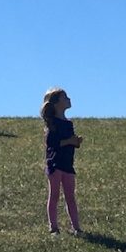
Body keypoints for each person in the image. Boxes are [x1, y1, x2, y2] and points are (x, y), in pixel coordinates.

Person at [41, 87, 82, 234]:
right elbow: (52, 143)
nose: (69, 99)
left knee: (71, 197)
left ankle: (76, 227)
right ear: (57, 103)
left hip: (67, 164)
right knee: (54, 196)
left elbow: (69, 143)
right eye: (65, 97)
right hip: (55, 164)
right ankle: (53, 228)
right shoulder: (53, 123)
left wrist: (75, 142)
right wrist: (69, 141)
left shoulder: (68, 123)